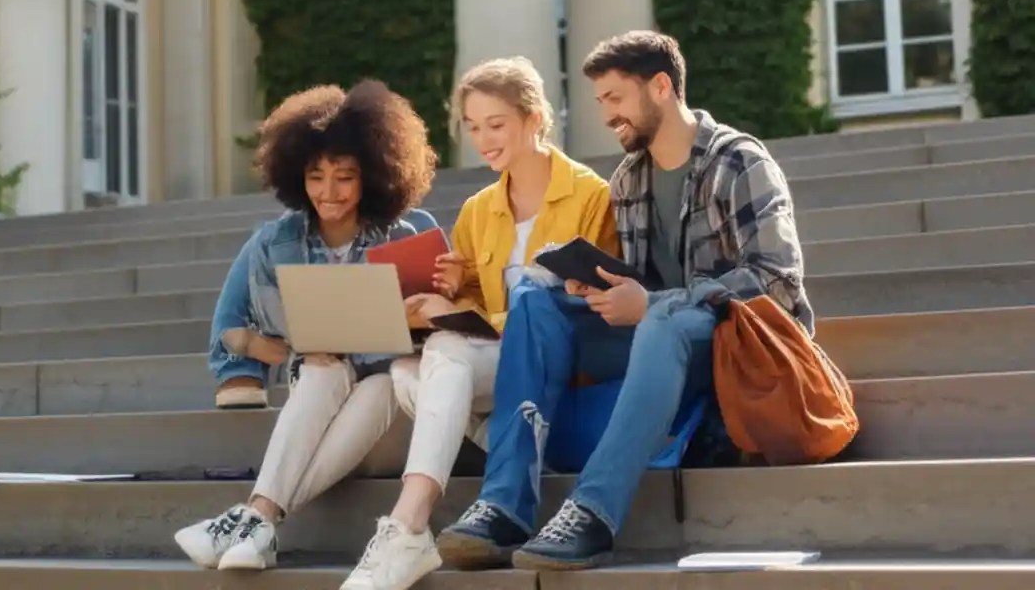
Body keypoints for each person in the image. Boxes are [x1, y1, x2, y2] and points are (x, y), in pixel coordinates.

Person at [436, 30, 813, 572]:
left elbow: (779, 283)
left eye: (615, 99)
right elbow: (632, 286)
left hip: (738, 345)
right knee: (533, 297)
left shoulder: (739, 162)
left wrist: (657, 302)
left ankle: (592, 511)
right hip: (654, 340)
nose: (607, 115)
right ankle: (504, 504)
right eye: (601, 102)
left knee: (663, 318)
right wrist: (594, 289)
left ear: (660, 87)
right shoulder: (629, 178)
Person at [339, 57, 621, 590]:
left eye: (496, 125)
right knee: (405, 369)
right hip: (490, 359)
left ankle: (409, 525)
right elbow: (470, 302)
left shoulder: (591, 196)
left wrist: (459, 318)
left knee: (444, 351)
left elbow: (578, 308)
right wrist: (449, 290)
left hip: (559, 361)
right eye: (472, 127)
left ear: (534, 118)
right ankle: (507, 445)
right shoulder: (477, 209)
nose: (482, 139)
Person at [178, 80, 438, 571]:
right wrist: (264, 361)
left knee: (383, 383)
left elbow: (441, 331)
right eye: (316, 176)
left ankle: (250, 518)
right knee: (320, 370)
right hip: (319, 396)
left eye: (345, 177)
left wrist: (412, 318)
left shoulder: (410, 233)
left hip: (393, 403)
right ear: (297, 175)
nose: (328, 192)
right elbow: (229, 329)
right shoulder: (273, 243)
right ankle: (260, 523)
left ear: (373, 176)